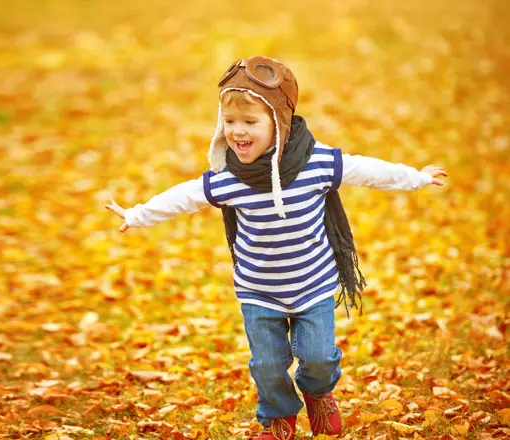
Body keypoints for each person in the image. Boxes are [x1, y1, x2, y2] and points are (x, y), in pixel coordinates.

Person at [105, 56, 447, 439]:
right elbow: (183, 197)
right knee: (267, 366)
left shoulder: (316, 164)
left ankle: (318, 394)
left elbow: (367, 170)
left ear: (279, 123)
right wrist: (137, 214)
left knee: (318, 358)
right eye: (230, 122)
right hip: (258, 291)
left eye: (250, 122)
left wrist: (415, 177)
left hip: (312, 284)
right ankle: (279, 416)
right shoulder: (228, 178)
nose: (238, 132)